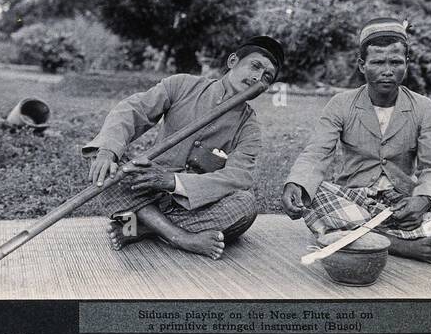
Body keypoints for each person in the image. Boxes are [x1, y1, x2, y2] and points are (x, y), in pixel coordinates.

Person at [281, 17, 431, 264]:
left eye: (396, 62)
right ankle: (400, 244)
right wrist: (296, 184)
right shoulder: (341, 104)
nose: (388, 71)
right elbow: (317, 152)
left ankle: (357, 237)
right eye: (378, 62)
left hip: (402, 205)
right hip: (355, 198)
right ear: (362, 65)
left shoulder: (423, 107)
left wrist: (421, 201)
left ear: (407, 64)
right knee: (316, 193)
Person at [84, 36, 285, 260]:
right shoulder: (181, 85)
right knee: (101, 162)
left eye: (267, 77)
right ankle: (181, 237)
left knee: (245, 207)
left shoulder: (250, 128)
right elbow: (132, 110)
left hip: (190, 205)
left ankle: (141, 227)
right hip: (146, 187)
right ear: (233, 61)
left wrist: (173, 182)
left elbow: (237, 177)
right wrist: (107, 152)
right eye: (255, 66)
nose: (257, 78)